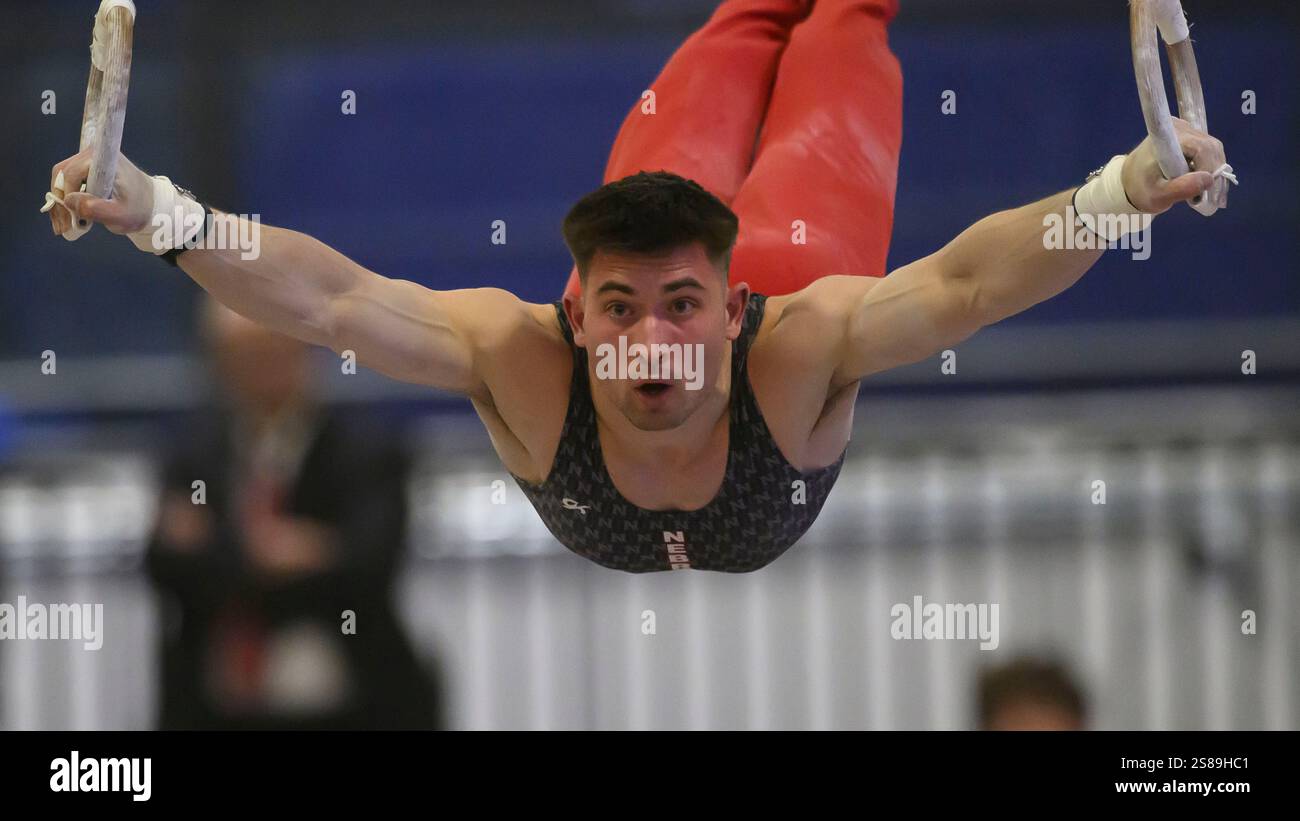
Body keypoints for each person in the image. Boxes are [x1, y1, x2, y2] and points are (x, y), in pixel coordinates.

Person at [45, 0, 1233, 573]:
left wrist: (1126, 187)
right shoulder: (520, 352)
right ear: (574, 308)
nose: (652, 341)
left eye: (677, 308)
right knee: (763, 15)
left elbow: (973, 283)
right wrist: (158, 211)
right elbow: (331, 301)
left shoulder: (797, 336)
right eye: (617, 310)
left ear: (726, 309)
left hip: (795, 246)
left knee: (836, 19)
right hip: (692, 243)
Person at [146, 296, 441, 729]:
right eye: (241, 357)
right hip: (214, 702)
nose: (257, 371)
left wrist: (219, 546)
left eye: (269, 353)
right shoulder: (193, 452)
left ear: (301, 350)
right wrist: (285, 551)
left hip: (353, 699)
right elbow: (164, 565)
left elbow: (371, 563)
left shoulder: (365, 448)